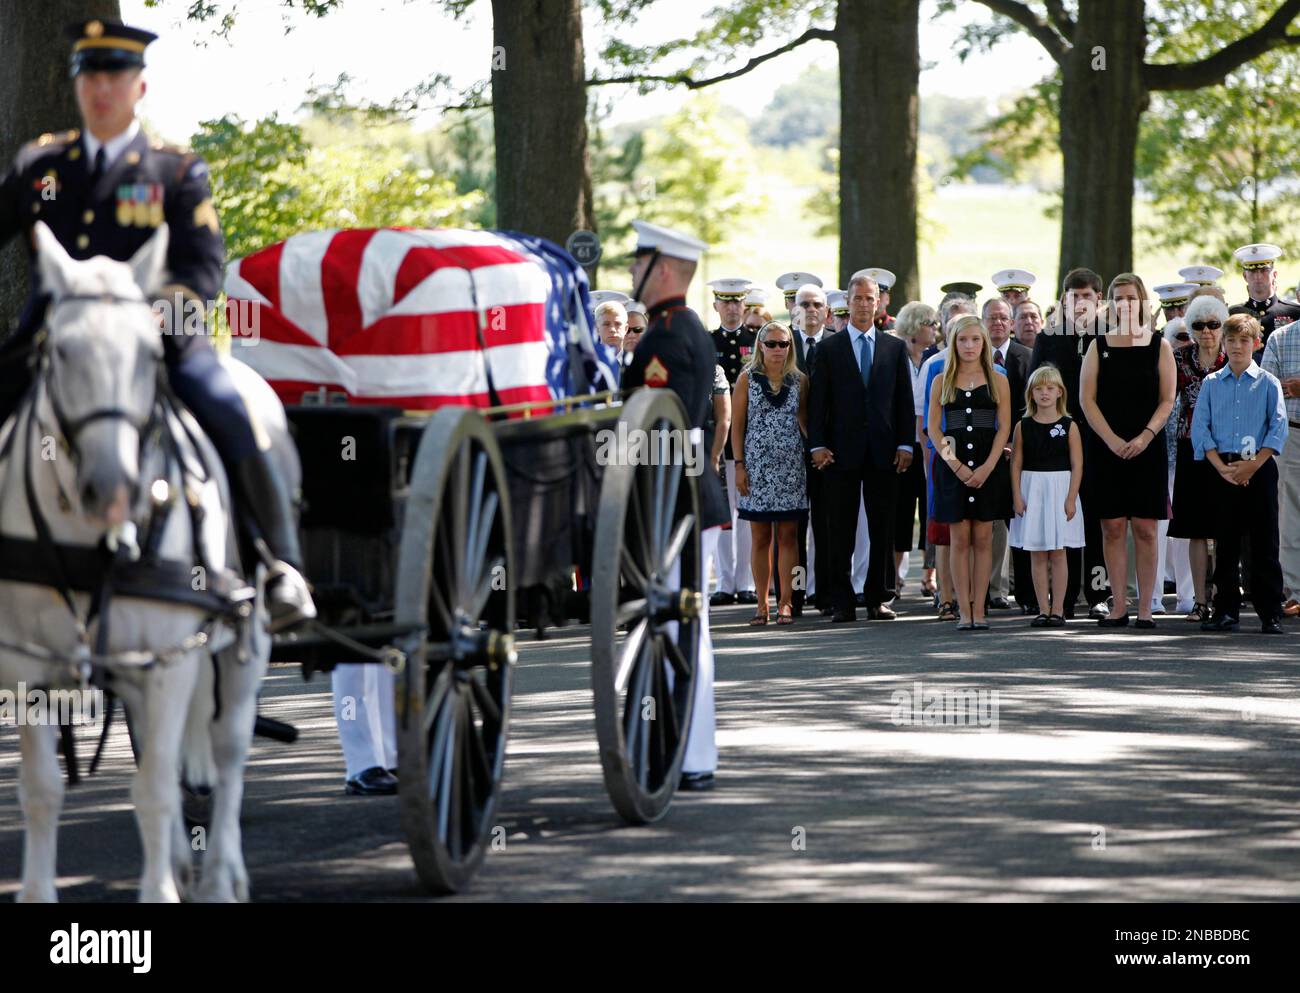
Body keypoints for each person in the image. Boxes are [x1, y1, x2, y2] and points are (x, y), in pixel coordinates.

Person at [0, 18, 315, 631]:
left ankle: (280, 566)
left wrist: (150, 317)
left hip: (160, 335)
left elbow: (203, 266)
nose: (101, 89)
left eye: (115, 76)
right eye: (90, 75)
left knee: (229, 408)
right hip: (56, 338)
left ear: (139, 88)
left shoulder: (174, 172)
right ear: (77, 85)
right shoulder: (45, 164)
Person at [622, 219, 730, 790]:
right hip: (689, 495)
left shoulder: (665, 336)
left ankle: (686, 755)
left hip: (675, 499)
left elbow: (648, 424)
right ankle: (690, 755)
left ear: (661, 269)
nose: (630, 274)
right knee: (689, 626)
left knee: (682, 628)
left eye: (637, 265)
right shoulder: (684, 325)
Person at [808, 271, 915, 622]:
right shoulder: (827, 349)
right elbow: (817, 403)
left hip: (885, 452)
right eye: (858, 298)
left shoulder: (894, 347)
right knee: (839, 527)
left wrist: (905, 444)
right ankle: (841, 601)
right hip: (839, 453)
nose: (865, 304)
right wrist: (817, 445)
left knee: (882, 526)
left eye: (871, 298)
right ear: (847, 303)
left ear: (880, 302)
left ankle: (878, 597)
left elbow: (903, 400)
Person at [1079, 273, 1177, 628]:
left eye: (1131, 298)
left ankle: (1147, 608)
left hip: (1146, 449)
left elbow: (1167, 399)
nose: (1124, 304)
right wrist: (1111, 440)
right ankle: (1119, 605)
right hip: (1107, 449)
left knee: (1147, 530)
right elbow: (1086, 400)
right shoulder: (1098, 344)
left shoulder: (1158, 345)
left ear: (1142, 302)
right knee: (1113, 528)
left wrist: (1145, 437)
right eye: (1118, 298)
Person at [1192, 314, 1289, 635]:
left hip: (1257, 467)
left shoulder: (1268, 383)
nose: (1236, 346)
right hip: (1221, 468)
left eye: (1244, 340)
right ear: (1223, 343)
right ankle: (1226, 610)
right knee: (1226, 542)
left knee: (1264, 542)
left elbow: (1277, 429)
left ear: (1256, 344)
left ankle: (1270, 611)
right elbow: (1200, 429)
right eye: (1231, 340)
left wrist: (1252, 466)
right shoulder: (1211, 383)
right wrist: (1222, 468)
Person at [1031, 268, 1107, 619]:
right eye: (1074, 297)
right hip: (1057, 438)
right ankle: (1063, 597)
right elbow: (1036, 385)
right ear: (1064, 300)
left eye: (1087, 296)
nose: (1080, 304)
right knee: (1064, 513)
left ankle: (1098, 593)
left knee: (1095, 514)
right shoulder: (1049, 335)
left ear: (1099, 300)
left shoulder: (1110, 334)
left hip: (1099, 436)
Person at [926, 315, 1012, 630]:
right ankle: (963, 610)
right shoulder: (941, 380)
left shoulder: (998, 379)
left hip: (989, 468)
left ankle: (980, 608)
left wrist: (989, 466)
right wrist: (956, 465)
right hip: (953, 469)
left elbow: (1004, 428)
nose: (969, 346)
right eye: (963, 340)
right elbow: (934, 429)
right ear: (954, 344)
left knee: (983, 538)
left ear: (984, 343)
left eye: (976, 340)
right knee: (959, 539)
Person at [732, 322, 809, 625]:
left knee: (789, 536)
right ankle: (761, 604)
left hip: (791, 468)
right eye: (772, 343)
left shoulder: (799, 380)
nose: (778, 349)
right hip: (757, 468)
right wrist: (739, 465)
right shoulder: (746, 379)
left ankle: (786, 603)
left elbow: (804, 421)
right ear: (760, 346)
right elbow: (737, 426)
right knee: (760, 536)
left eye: (784, 343)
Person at [1167, 296, 1228, 622]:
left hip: (1224, 448)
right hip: (1190, 447)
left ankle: (1222, 597)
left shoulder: (1230, 357)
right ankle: (1198, 601)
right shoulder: (1179, 358)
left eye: (1213, 324)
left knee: (1222, 526)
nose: (1206, 332)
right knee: (1195, 529)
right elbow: (1166, 399)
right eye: (1199, 325)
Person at [1010, 364, 1084, 626]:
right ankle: (1043, 608)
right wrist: (1017, 495)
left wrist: (1071, 497)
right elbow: (1016, 463)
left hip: (1060, 489)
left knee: (1058, 551)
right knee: (1037, 552)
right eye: (1039, 389)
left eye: (1050, 388)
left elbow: (1077, 464)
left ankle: (1059, 609)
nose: (1044, 393)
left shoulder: (1069, 425)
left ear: (1059, 392)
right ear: (1031, 393)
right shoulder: (1023, 426)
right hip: (1033, 490)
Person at [706, 277, 757, 607]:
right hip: (718, 440)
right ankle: (724, 582)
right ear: (716, 306)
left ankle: (746, 582)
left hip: (750, 438)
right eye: (725, 302)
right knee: (723, 513)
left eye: (737, 301)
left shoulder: (757, 341)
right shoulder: (707, 342)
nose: (731, 308)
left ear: (745, 305)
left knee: (748, 514)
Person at [984, 296, 1032, 611]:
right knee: (991, 522)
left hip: (1023, 450)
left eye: (1004, 318)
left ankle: (1027, 593)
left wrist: (1017, 442)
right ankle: (992, 590)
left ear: (1012, 323)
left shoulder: (1027, 357)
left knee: (1022, 520)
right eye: (992, 318)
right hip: (986, 453)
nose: (998, 324)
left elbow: (1035, 403)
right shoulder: (972, 356)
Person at [894, 302, 939, 596]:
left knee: (930, 508)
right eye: (930, 323)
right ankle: (895, 575)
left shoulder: (936, 358)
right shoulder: (894, 354)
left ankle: (929, 574)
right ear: (914, 326)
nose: (935, 329)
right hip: (901, 444)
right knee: (899, 509)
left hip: (931, 443)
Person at [791, 285, 831, 613]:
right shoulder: (780, 343)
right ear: (794, 308)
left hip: (826, 451)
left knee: (826, 524)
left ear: (827, 310)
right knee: (794, 528)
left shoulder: (836, 343)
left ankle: (825, 591)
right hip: (788, 450)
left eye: (817, 304)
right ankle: (796, 592)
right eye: (804, 304)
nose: (811, 309)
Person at [1260, 302, 1300, 617]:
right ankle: (1295, 591)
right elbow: (1272, 390)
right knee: (1290, 516)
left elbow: (1291, 387)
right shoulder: (1280, 338)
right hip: (1293, 433)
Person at [1230, 243, 1300, 350]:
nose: (1258, 276)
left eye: (1263, 271)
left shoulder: (1295, 312)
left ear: (1275, 275)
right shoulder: (1233, 313)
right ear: (1245, 276)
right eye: (1252, 271)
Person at [861, 267, 897, 331]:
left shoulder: (898, 329)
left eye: (879, 294)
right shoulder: (852, 328)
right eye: (869, 294)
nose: (874, 298)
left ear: (887, 299)